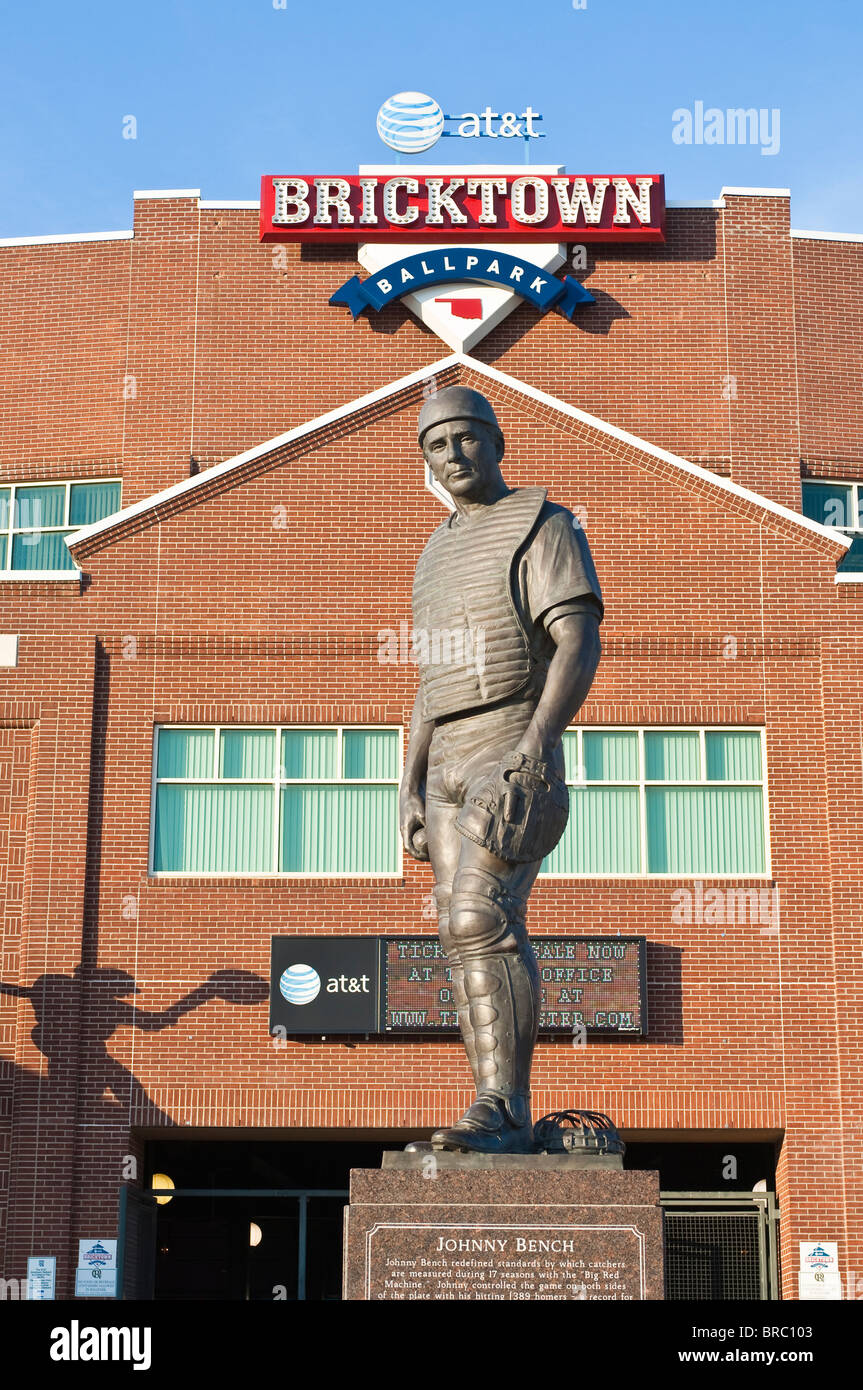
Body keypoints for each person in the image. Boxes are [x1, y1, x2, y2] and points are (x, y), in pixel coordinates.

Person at [400, 384, 603, 1153]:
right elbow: (428, 683)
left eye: (465, 439)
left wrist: (536, 743)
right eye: (435, 446)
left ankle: (502, 1107)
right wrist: (408, 786)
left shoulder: (543, 525)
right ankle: (494, 1105)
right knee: (457, 937)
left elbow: (576, 639)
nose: (452, 456)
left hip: (510, 734)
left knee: (480, 918)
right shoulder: (435, 550)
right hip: (446, 751)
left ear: (495, 441)